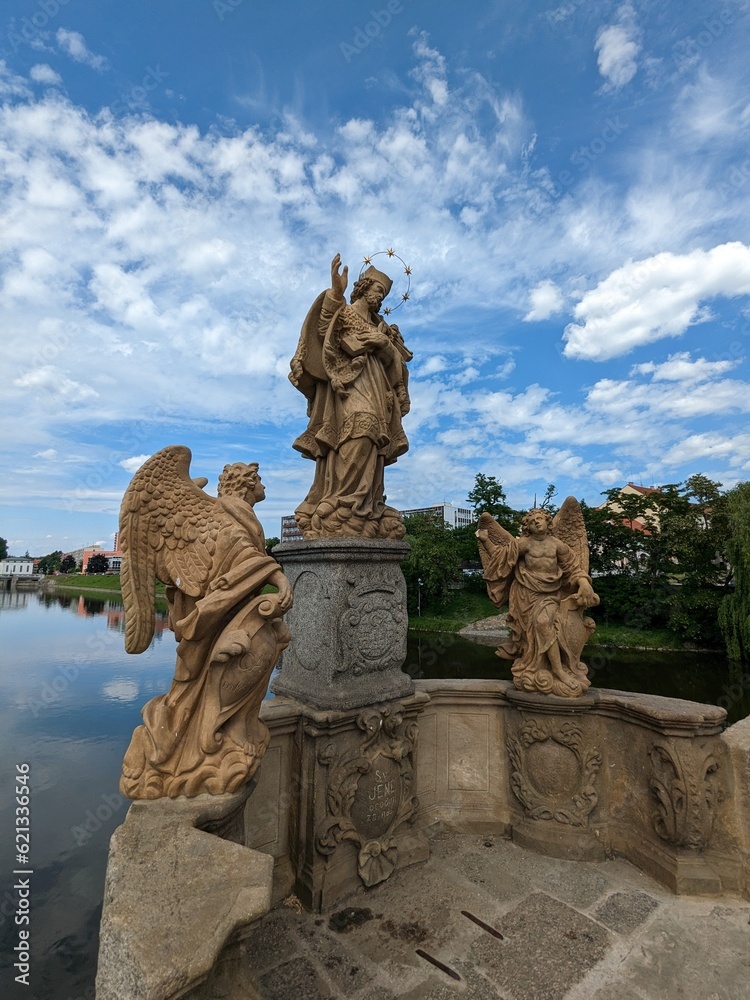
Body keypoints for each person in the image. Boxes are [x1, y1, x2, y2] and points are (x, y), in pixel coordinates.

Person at [119, 449, 292, 798]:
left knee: (257, 645)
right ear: (245, 484)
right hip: (208, 618)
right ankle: (184, 749)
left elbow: (241, 558)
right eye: (258, 480)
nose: (263, 485)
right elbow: (239, 555)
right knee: (196, 685)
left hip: (224, 614)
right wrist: (278, 576)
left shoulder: (236, 516)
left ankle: (210, 738)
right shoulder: (223, 516)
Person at [289, 253, 412, 539]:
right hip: (346, 386)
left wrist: (383, 345)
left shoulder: (382, 327)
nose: (379, 298)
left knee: (373, 444)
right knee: (357, 435)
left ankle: (364, 504)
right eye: (376, 291)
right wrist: (335, 291)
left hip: (376, 386)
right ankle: (341, 498)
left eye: (383, 295)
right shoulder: (345, 312)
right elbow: (323, 331)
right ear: (363, 288)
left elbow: (396, 365)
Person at [477, 507, 598, 697]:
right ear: (528, 527)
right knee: (533, 634)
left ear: (548, 522)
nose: (537, 522)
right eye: (532, 521)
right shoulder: (523, 544)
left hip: (550, 594)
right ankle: (541, 668)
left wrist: (584, 583)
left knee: (544, 624)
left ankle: (557, 670)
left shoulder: (557, 545)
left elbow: (573, 568)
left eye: (540, 519)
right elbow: (500, 559)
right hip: (526, 595)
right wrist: (485, 541)